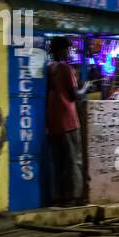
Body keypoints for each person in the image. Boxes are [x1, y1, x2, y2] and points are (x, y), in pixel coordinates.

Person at [46, 41, 85, 206]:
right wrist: (86, 88)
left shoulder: (49, 68)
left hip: (54, 122)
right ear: (62, 51)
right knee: (73, 161)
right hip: (68, 121)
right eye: (68, 49)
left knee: (60, 161)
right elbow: (74, 95)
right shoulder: (65, 69)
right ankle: (74, 197)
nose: (70, 52)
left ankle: (61, 196)